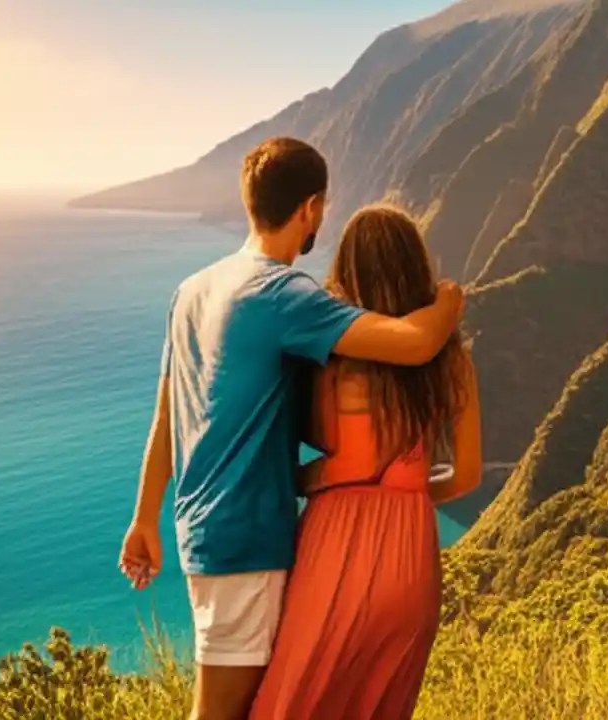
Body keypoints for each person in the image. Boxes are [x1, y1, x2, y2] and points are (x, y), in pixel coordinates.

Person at [117, 138, 464, 720]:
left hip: (201, 529)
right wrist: (450, 301)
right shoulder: (283, 294)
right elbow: (415, 343)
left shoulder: (191, 292)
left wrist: (144, 517)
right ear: (310, 209)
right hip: (248, 537)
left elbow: (167, 414)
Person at [249, 205, 482, 720]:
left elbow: (293, 446)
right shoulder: (451, 359)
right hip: (411, 557)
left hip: (332, 547)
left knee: (296, 698)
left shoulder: (328, 359)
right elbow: (466, 474)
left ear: (346, 269)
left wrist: (324, 478)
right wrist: (405, 489)